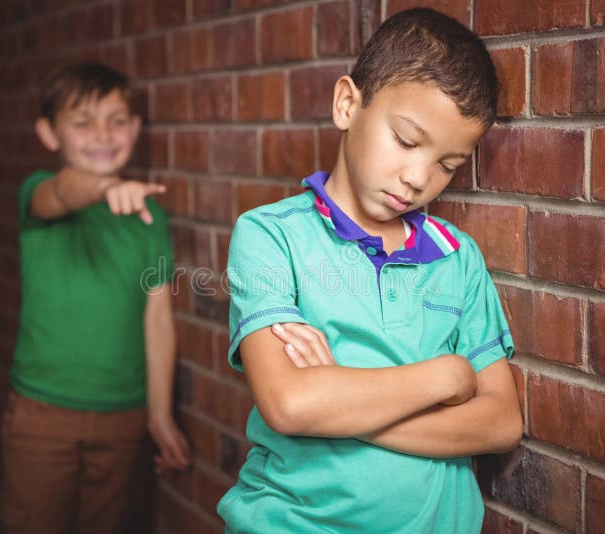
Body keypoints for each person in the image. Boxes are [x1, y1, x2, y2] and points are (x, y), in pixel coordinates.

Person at [218, 8, 522, 533]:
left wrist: (341, 402)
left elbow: (500, 423)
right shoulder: (271, 236)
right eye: (406, 140)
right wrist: (444, 376)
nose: (419, 177)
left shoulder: (459, 257)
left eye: (448, 165)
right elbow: (290, 404)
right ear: (347, 105)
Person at [1, 61, 190, 534]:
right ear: (49, 134)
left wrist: (159, 415)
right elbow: (63, 190)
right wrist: (107, 188)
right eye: (82, 122)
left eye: (117, 120)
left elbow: (158, 320)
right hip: (44, 414)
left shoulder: (150, 219)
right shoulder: (39, 194)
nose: (103, 134)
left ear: (136, 128)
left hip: (122, 418)